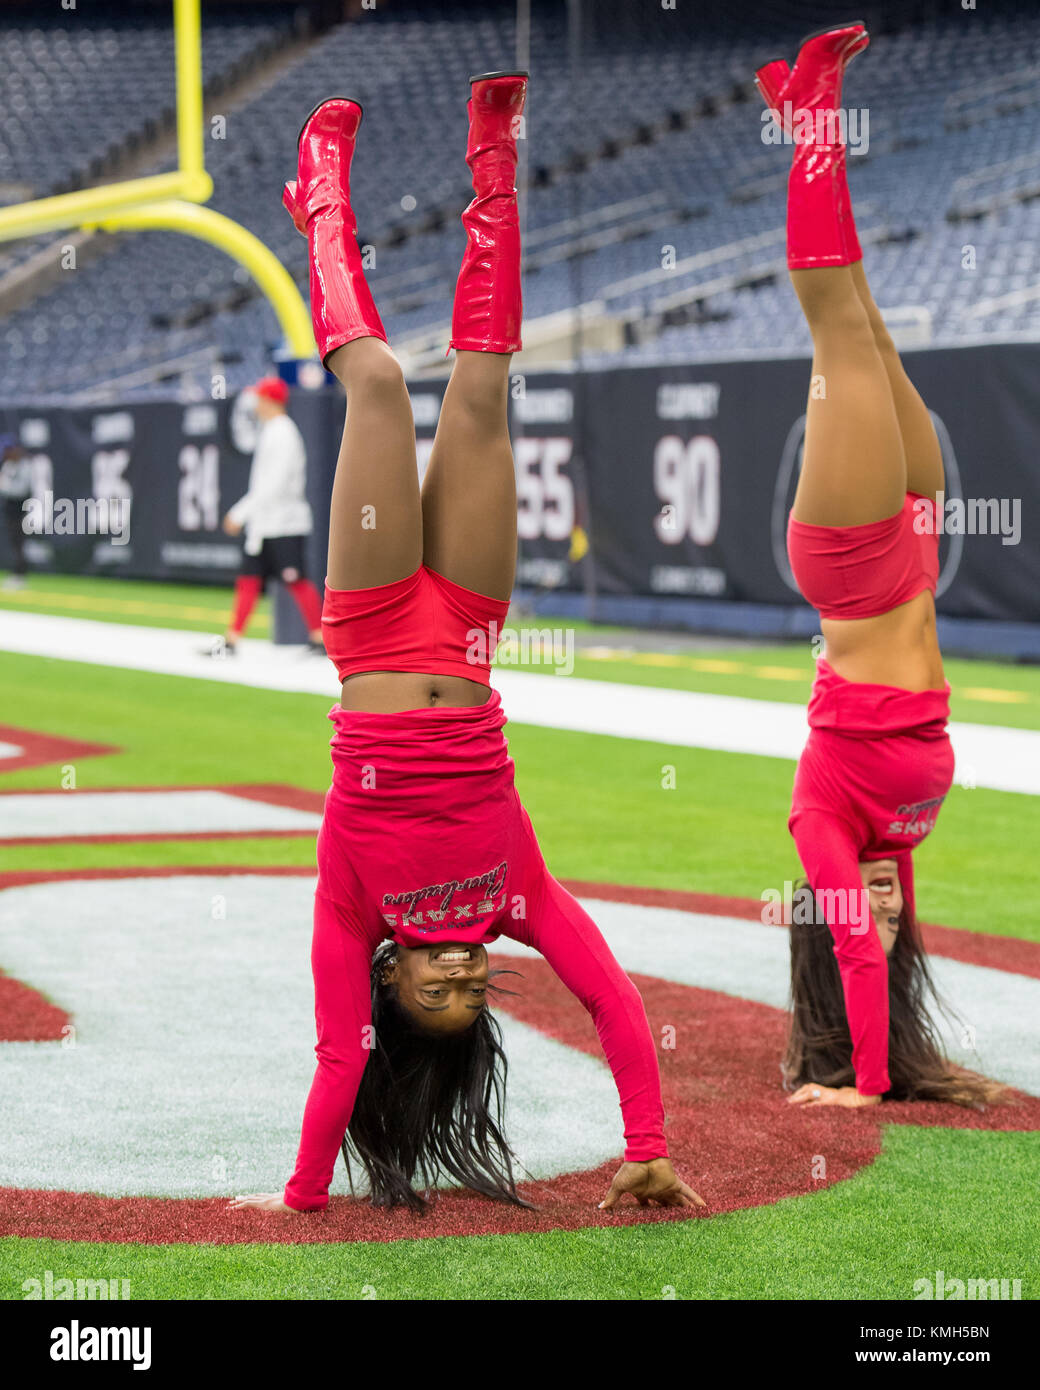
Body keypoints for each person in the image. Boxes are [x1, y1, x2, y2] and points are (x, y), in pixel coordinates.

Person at [230, 77, 705, 1216]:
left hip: (377, 626)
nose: (460, 970)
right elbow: (611, 1000)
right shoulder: (515, 897)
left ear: (392, 983)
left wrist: (299, 1195)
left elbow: (338, 1062)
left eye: (437, 986)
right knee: (486, 393)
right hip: (474, 634)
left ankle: (320, 204)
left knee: (382, 388)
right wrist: (643, 1140)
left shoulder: (351, 911)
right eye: (472, 987)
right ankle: (491, 155)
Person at [755, 23, 1004, 1110]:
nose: (883, 914)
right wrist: (910, 1054)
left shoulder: (823, 830)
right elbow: (884, 942)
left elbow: (856, 951)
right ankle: (793, 116)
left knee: (834, 333)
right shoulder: (894, 854)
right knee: (874, 331)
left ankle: (812, 109)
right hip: (915, 550)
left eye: (869, 913)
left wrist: (861, 1085)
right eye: (895, 917)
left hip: (854, 565)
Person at [211, 377, 324, 654]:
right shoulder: (273, 431)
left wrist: (240, 513)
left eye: (260, 399)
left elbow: (273, 485)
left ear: (269, 400)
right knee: (249, 578)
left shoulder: (283, 432)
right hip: (266, 523)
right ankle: (232, 639)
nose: (256, 405)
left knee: (296, 579)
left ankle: (321, 638)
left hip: (284, 523)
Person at [0, 434, 32, 591]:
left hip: (21, 510)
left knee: (19, 543)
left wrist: (5, 488)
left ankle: (20, 575)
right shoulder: (8, 465)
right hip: (9, 509)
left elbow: (21, 490)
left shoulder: (25, 466)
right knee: (13, 543)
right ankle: (16, 573)